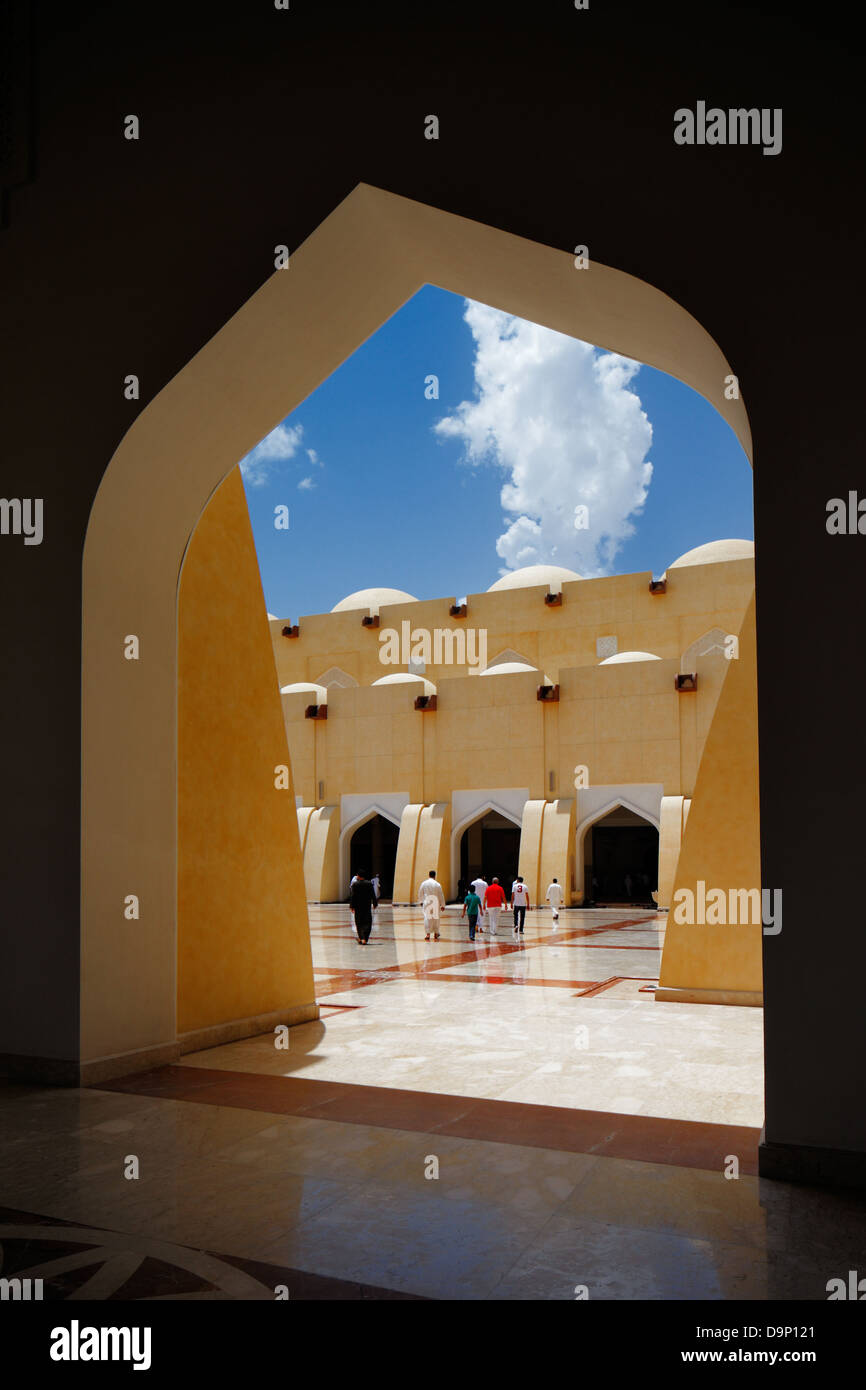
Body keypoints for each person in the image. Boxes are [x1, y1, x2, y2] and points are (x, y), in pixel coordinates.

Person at [349, 873, 378, 946]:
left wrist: (351, 906)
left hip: (358, 906)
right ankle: (365, 938)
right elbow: (373, 894)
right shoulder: (369, 883)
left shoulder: (355, 885)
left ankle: (362, 938)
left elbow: (353, 896)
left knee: (359, 922)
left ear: (358, 876)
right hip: (367, 906)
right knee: (368, 922)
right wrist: (375, 903)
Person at [418, 869, 445, 940]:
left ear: (429, 875)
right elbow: (441, 895)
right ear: (435, 876)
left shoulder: (424, 883)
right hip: (435, 902)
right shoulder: (437, 884)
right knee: (436, 918)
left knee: (427, 918)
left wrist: (421, 901)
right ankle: (436, 933)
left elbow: (420, 892)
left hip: (427, 901)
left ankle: (428, 934)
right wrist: (443, 905)